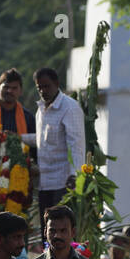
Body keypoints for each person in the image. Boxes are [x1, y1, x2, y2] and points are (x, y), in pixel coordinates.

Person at [21, 67, 85, 228]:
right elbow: (42, 140)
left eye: (46, 86)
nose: (43, 91)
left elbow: (76, 144)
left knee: (61, 229)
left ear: (56, 84)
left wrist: (74, 175)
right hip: (45, 182)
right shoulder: (41, 109)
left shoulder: (69, 107)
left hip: (63, 183)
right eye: (39, 87)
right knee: (47, 230)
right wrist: (18, 137)